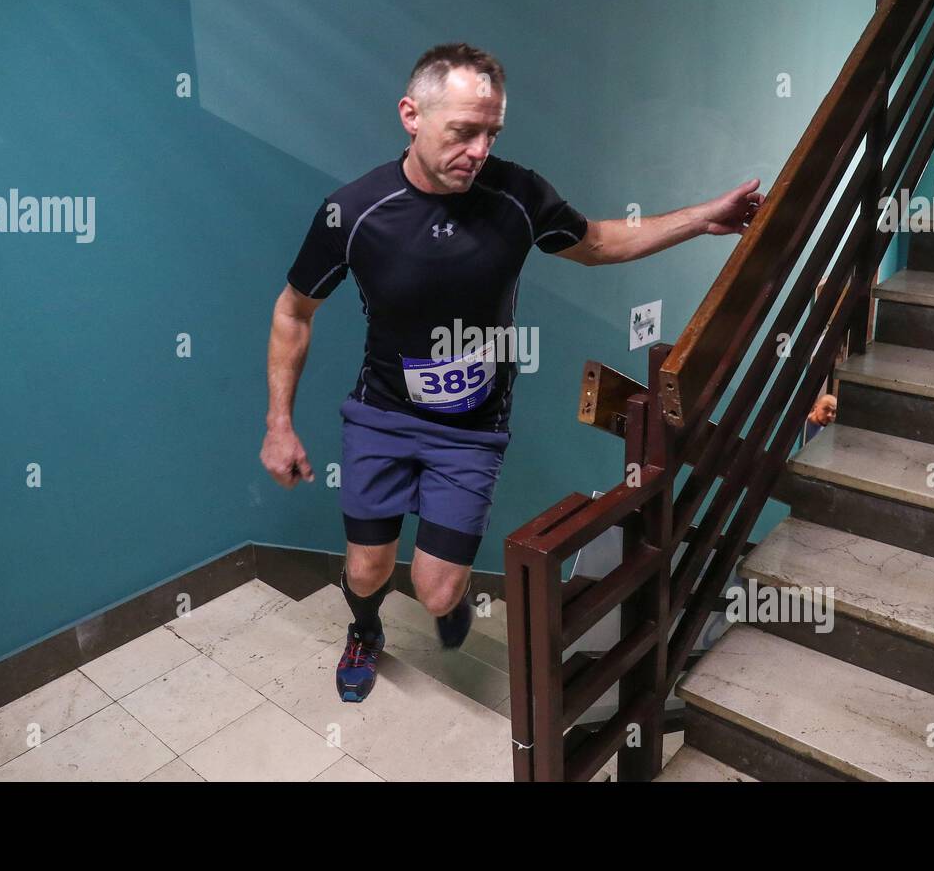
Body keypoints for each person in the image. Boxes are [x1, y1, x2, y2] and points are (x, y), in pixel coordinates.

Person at [260, 42, 764, 703]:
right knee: (364, 570)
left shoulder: (518, 196)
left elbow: (604, 243)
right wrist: (279, 424)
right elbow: (294, 311)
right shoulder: (354, 213)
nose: (478, 150)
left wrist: (704, 219)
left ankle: (447, 604)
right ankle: (365, 631)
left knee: (439, 590)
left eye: (491, 133)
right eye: (463, 132)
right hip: (381, 414)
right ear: (411, 115)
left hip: (471, 428)